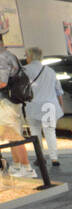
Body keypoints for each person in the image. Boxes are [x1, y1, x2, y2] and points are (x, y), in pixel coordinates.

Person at [0, 16, 35, 178]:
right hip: (11, 101)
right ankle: (16, 166)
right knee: (10, 134)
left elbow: (1, 82)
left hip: (7, 102)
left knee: (14, 135)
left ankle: (27, 168)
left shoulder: (2, 57)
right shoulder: (9, 55)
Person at [23, 47, 61, 167]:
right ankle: (54, 158)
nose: (26, 58)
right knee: (50, 132)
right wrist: (61, 106)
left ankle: (40, 158)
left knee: (35, 132)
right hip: (50, 105)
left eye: (26, 56)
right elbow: (58, 91)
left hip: (32, 105)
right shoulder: (50, 71)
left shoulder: (25, 70)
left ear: (30, 56)